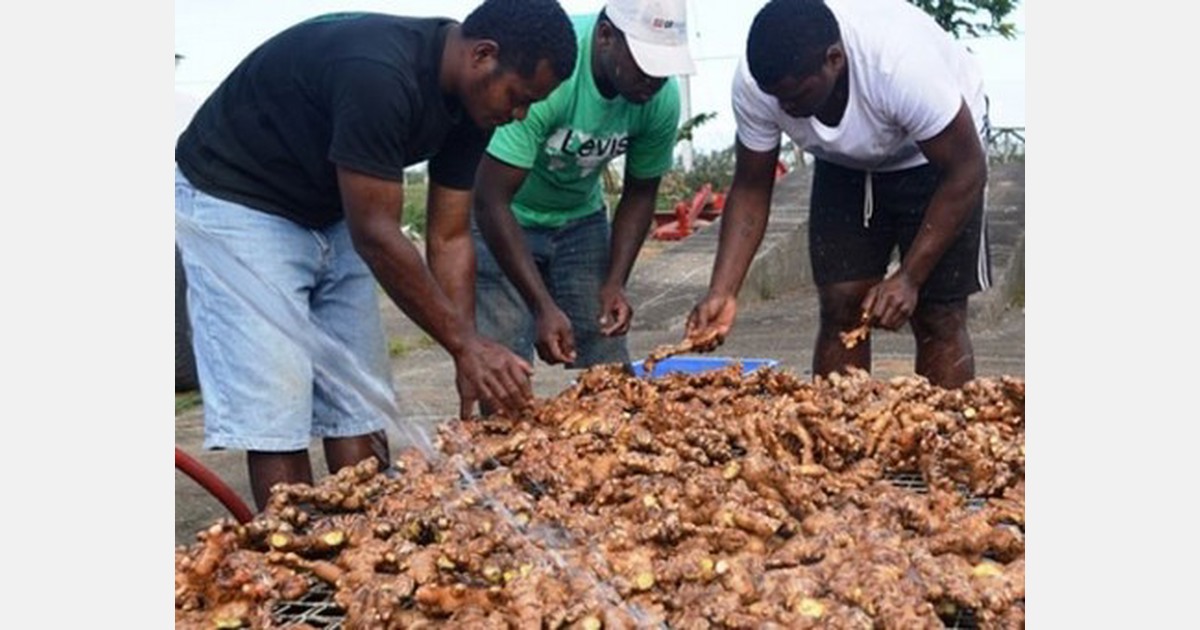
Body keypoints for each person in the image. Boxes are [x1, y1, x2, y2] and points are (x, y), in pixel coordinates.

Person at [174, 0, 578, 510]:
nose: (518, 114)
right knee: (278, 404)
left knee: (361, 399)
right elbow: (376, 233)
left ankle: (368, 550)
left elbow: (450, 237)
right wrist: (463, 344)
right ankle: (294, 561)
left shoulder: (475, 108)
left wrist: (466, 349)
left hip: (330, 204)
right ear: (483, 54)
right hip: (237, 197)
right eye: (518, 97)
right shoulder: (380, 72)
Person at [685, 0, 991, 389]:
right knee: (841, 305)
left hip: (937, 157)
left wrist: (909, 277)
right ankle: (838, 437)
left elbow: (967, 170)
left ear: (834, 59)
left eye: (796, 96)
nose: (786, 108)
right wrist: (723, 291)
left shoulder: (899, 64)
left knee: (937, 314)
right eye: (776, 98)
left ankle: (945, 442)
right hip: (843, 162)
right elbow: (751, 186)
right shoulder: (758, 83)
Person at [471, 0, 696, 374]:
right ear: (606, 37)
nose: (654, 82)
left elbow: (640, 193)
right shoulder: (549, 70)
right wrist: (542, 306)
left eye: (664, 69)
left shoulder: (660, 98)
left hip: (580, 221)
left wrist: (615, 282)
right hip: (504, 217)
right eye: (645, 66)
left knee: (607, 357)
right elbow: (492, 199)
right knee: (505, 363)